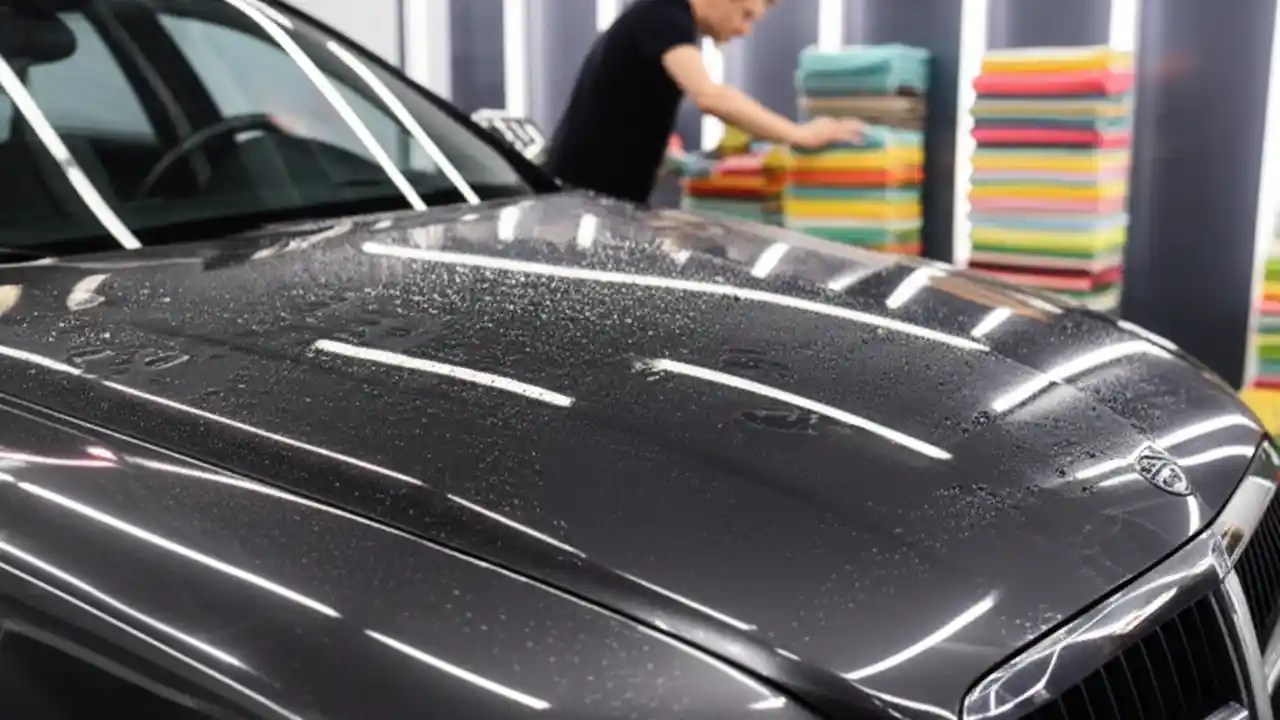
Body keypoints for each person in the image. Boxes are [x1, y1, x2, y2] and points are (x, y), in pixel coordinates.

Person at [544, 0, 865, 205]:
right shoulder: (665, 15)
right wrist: (801, 135)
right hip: (579, 201)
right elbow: (711, 97)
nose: (744, 29)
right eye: (746, 15)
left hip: (596, 199)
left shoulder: (664, 21)